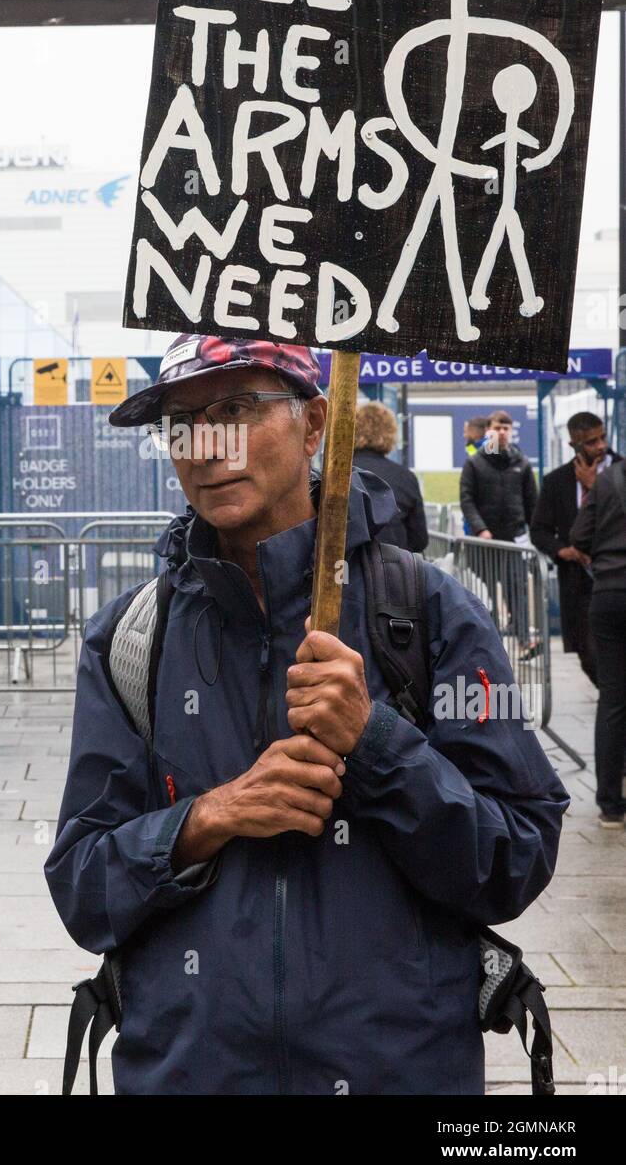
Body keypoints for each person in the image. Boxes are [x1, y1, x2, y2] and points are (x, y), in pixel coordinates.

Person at [46, 335, 567, 1096]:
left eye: (237, 408)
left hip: (398, 1070)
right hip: (191, 1074)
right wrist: (207, 819)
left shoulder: (430, 613)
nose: (208, 447)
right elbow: (83, 887)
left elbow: (516, 857)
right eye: (182, 423)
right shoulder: (130, 639)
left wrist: (377, 743)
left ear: (317, 423)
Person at [530, 412, 620, 687]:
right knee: (588, 654)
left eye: (603, 438)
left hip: (616, 576)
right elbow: (539, 530)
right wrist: (564, 551)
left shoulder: (620, 471)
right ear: (574, 444)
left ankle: (614, 699)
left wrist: (596, 488)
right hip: (578, 582)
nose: (601, 446)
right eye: (592, 442)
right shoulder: (557, 481)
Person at [570, 457, 626, 829]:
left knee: (613, 699)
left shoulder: (606, 480)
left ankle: (610, 804)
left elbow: (578, 536)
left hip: (609, 594)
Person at [459, 410, 538, 654]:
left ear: (511, 431)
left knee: (518, 589)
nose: (501, 432)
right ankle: (490, 646)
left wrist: (535, 534)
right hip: (484, 542)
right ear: (488, 431)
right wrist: (480, 528)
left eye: (506, 428)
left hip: (513, 539)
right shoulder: (475, 463)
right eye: (497, 428)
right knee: (487, 595)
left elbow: (532, 502)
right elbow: (467, 499)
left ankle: (525, 640)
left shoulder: (521, 463)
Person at [352, 400, 428, 553]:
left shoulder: (334, 474)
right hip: (392, 562)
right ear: (390, 433)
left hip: (344, 564)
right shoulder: (405, 477)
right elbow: (419, 539)